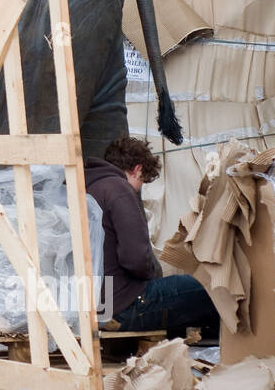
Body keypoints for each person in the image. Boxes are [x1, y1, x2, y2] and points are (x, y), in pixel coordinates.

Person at [84, 136, 219, 338]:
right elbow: (136, 259)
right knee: (213, 288)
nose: (139, 188)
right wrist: (151, 273)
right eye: (142, 181)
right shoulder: (119, 190)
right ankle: (222, 354)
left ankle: (175, 349)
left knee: (179, 290)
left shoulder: (89, 187)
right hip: (124, 304)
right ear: (137, 169)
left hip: (98, 303)